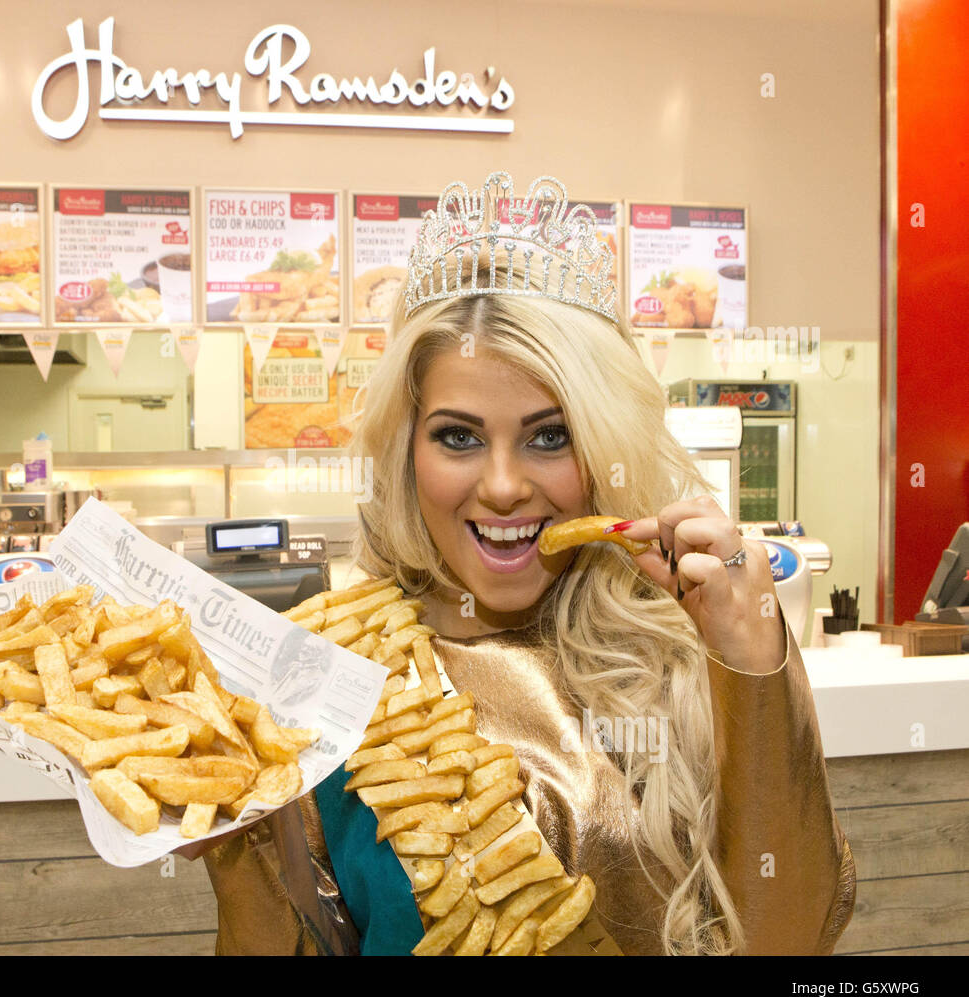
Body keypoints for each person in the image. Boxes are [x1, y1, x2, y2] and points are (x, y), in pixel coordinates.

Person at [191, 173, 855, 956]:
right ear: (406, 450)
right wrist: (242, 841)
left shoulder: (685, 653)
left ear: (601, 446)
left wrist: (753, 667)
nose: (503, 487)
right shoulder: (329, 674)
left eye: (549, 436)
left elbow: (794, 947)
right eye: (459, 437)